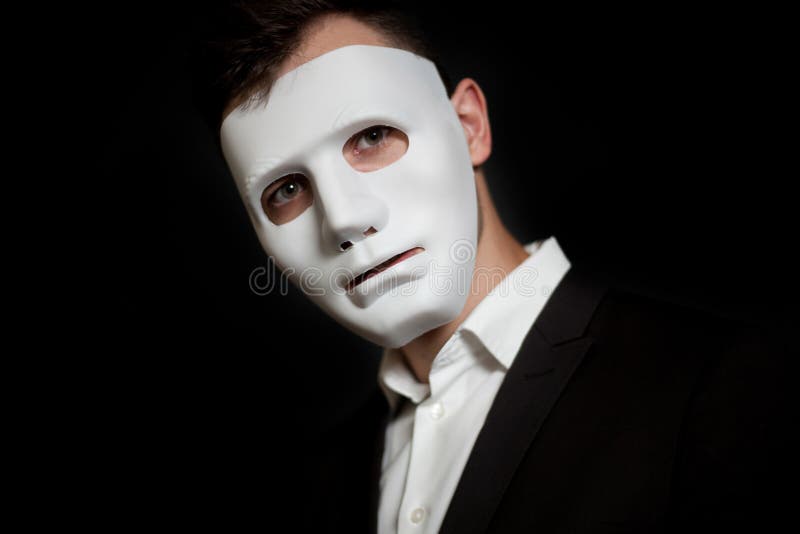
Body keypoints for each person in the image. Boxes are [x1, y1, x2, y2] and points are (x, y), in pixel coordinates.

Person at [191, 1, 791, 532]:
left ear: (469, 128)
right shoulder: (306, 490)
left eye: (372, 136)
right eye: (286, 189)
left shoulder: (714, 388)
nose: (344, 219)